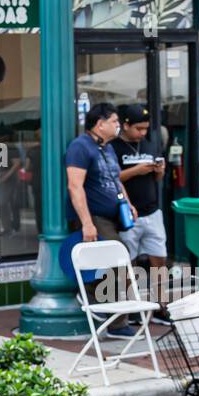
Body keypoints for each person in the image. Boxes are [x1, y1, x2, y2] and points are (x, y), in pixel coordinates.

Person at [65, 102, 138, 335]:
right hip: (95, 216)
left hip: (114, 214)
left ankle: (109, 308)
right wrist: (87, 222)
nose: (118, 126)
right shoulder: (80, 147)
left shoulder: (107, 147)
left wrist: (128, 203)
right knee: (120, 261)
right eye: (115, 122)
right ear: (100, 124)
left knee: (119, 263)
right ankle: (111, 315)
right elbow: (75, 186)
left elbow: (115, 179)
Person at [111, 102, 169, 317]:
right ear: (126, 125)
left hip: (152, 210)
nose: (142, 133)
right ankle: (133, 307)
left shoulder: (150, 144)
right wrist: (135, 170)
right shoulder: (114, 148)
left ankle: (162, 305)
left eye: (145, 128)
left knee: (159, 258)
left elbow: (158, 179)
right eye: (138, 128)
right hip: (127, 213)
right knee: (129, 262)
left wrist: (159, 170)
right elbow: (113, 178)